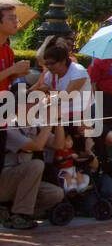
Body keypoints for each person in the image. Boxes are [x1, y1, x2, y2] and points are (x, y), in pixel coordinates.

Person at [1, 97, 65, 228]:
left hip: (24, 182)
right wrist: (49, 122)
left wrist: (58, 120)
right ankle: (20, 215)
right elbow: (36, 146)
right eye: (32, 103)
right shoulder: (10, 128)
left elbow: (59, 145)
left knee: (56, 193)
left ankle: (10, 213)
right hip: (5, 181)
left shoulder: (35, 127)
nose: (37, 106)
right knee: (36, 164)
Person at [0, 2, 31, 95]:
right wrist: (13, 69)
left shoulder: (8, 51)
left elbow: (5, 81)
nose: (16, 21)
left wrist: (17, 73)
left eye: (15, 18)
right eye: (11, 18)